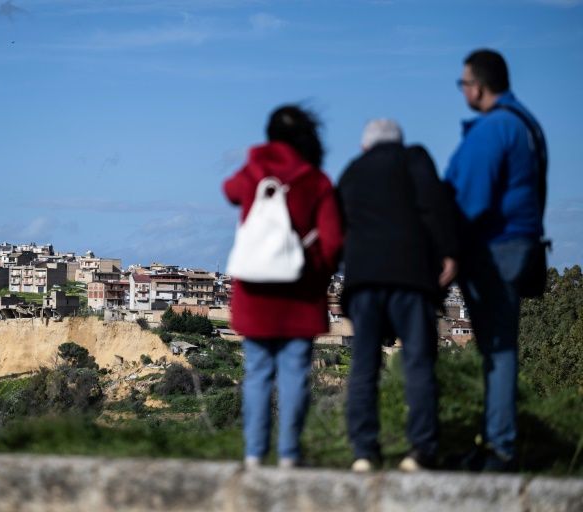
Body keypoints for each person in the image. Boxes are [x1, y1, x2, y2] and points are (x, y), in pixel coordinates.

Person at [223, 105, 343, 469]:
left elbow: (229, 191)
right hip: (300, 294)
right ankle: (289, 454)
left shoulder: (254, 171)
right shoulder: (316, 180)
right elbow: (334, 241)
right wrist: (317, 275)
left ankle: (254, 454)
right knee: (294, 375)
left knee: (258, 373)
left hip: (255, 293)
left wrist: (256, 162)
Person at [445, 49, 547, 472]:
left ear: (479, 86)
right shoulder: (526, 124)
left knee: (499, 349)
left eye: (464, 83)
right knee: (497, 347)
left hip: (495, 249)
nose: (463, 90)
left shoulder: (494, 128)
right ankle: (492, 442)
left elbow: (468, 198)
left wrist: (447, 249)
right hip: (517, 244)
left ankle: (499, 448)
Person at [337, 119, 458, 472]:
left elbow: (337, 225)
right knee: (418, 362)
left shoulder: (352, 171)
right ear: (399, 142)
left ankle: (363, 451)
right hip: (411, 276)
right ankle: (421, 450)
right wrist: (449, 252)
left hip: (364, 280)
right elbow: (436, 206)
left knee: (364, 364)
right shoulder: (415, 159)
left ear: (365, 146)